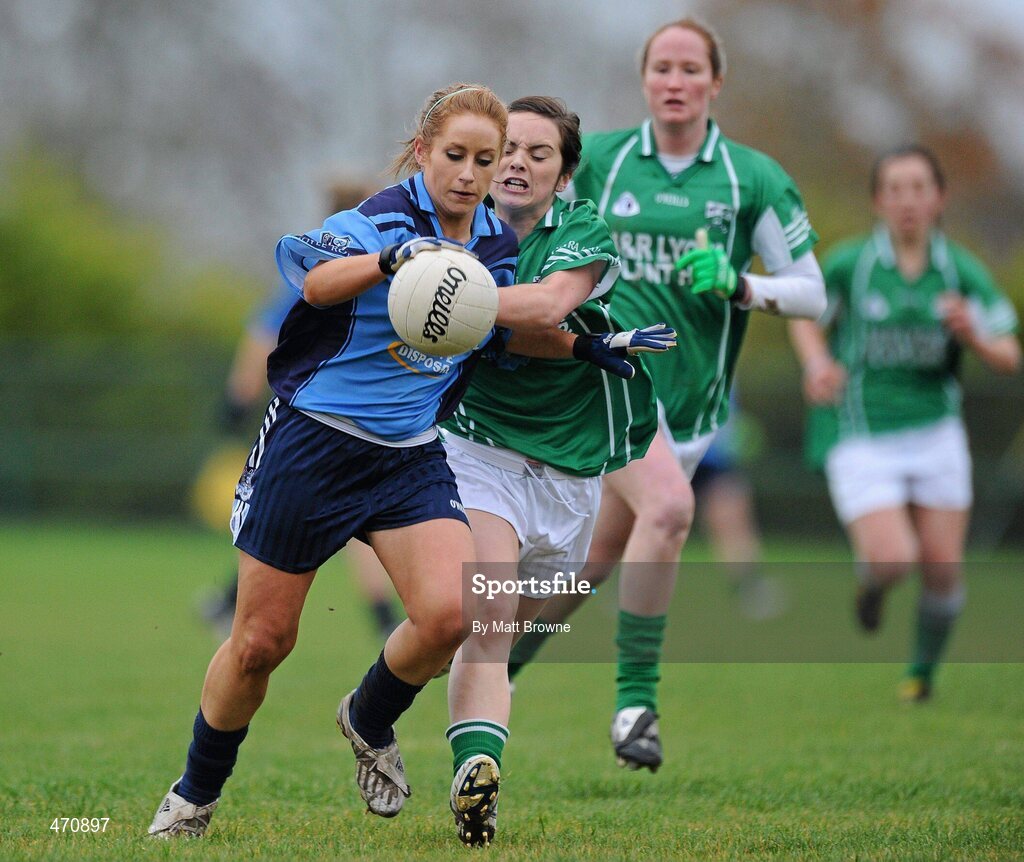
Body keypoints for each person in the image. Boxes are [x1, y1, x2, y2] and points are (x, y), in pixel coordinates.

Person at [148, 81, 670, 840]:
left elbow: (497, 328)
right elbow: (316, 283)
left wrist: (586, 346)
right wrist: (391, 260)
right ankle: (193, 795)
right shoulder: (379, 217)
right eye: (455, 155)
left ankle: (368, 716)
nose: (470, 173)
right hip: (313, 444)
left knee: (454, 613)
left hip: (409, 456)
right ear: (423, 151)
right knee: (261, 644)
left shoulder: (495, 244)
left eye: (485, 160)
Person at [506, 17, 826, 772]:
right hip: (609, 385)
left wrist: (741, 285)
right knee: (674, 509)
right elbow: (525, 214)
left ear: (716, 82)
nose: (675, 81)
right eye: (662, 67)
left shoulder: (754, 179)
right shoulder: (603, 160)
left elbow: (812, 294)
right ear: (644, 79)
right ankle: (636, 705)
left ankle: (490, 664)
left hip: (694, 409)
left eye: (690, 68)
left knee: (590, 563)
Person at [438, 96, 673, 846]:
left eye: (538, 153)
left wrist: (444, 296)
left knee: (521, 620)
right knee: (488, 619)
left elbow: (546, 308)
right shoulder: (454, 227)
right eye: (506, 148)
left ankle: (397, 687)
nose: (517, 162)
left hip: (572, 471)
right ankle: (477, 778)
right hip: (479, 451)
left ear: (563, 175)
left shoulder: (584, 232)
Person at [788, 144, 1020, 702]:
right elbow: (803, 315)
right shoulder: (852, 264)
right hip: (862, 432)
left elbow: (1009, 354)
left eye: (919, 188)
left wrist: (974, 335)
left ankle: (921, 674)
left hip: (937, 430)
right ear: (878, 201)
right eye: (894, 189)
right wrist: (817, 363)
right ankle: (873, 584)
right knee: (894, 560)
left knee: (942, 569)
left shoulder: (959, 270)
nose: (907, 201)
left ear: (939, 198)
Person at [195, 182, 402, 643]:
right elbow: (266, 331)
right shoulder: (338, 272)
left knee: (289, 515)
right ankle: (383, 617)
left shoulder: (356, 274)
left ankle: (230, 602)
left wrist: (237, 399)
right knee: (312, 518)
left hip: (329, 420)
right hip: (329, 419)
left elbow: (261, 334)